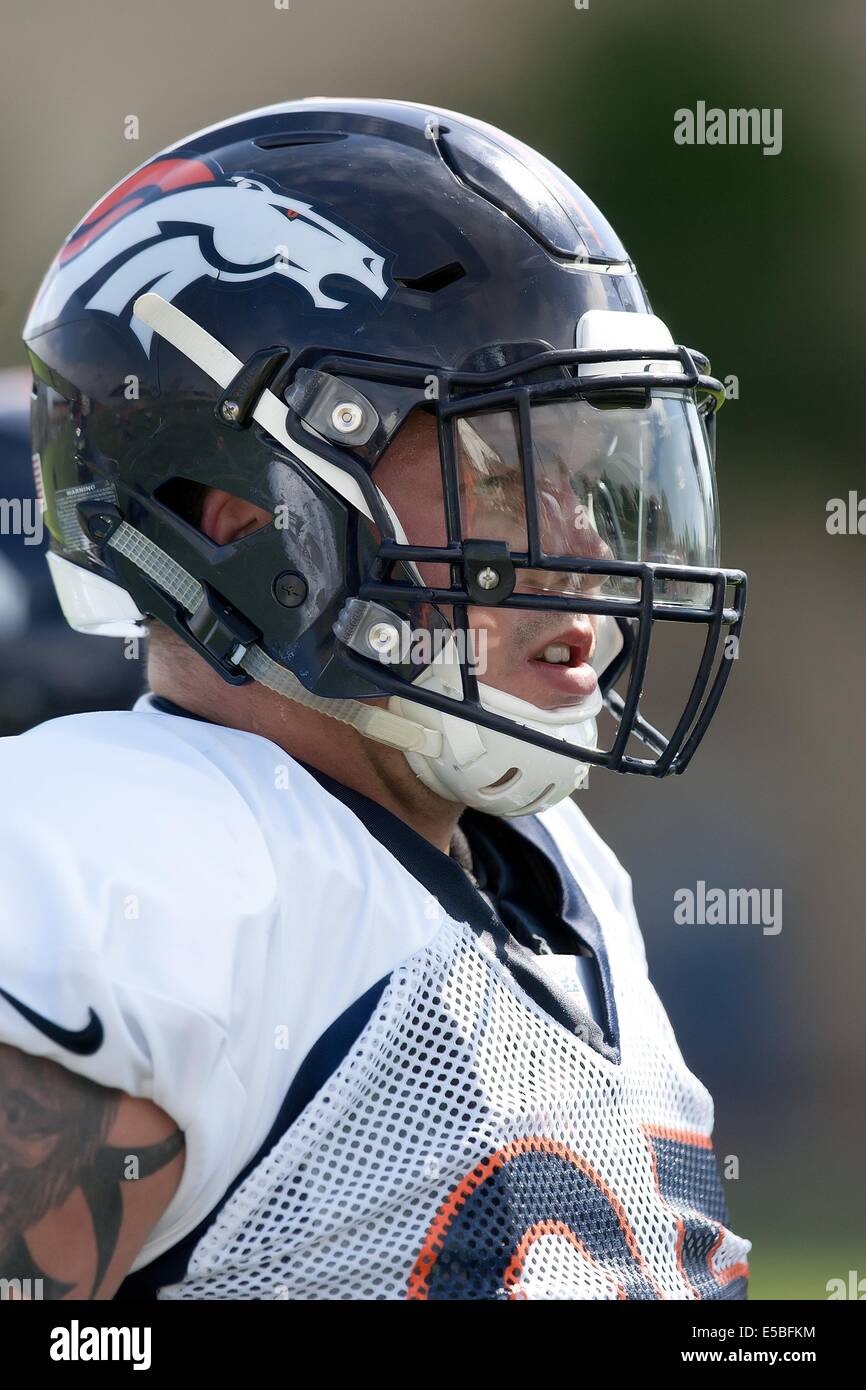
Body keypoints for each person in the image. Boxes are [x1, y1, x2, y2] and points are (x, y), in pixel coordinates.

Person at [0, 98, 749, 1300]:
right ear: (246, 520)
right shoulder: (141, 872)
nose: (580, 549)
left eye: (583, 478)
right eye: (500, 472)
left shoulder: (563, 881)